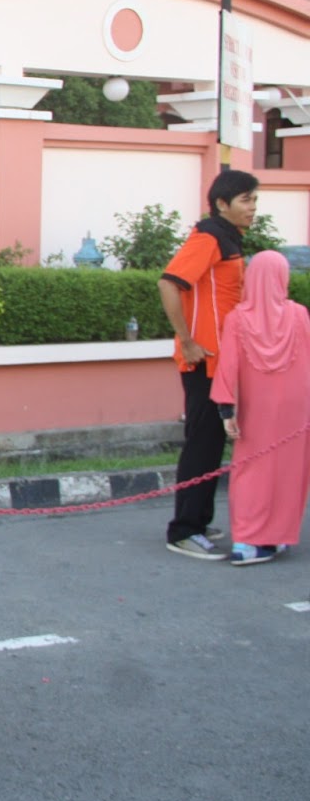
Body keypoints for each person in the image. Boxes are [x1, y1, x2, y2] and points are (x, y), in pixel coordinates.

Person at [158, 169, 258, 560]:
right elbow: (168, 283)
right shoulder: (209, 237)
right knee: (202, 443)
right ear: (221, 203)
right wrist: (187, 341)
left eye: (254, 200)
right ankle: (184, 531)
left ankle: (198, 520)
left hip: (223, 360)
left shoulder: (228, 237)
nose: (252, 208)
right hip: (203, 361)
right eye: (246, 200)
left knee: (213, 443)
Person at [210, 249, 310, 566]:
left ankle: (249, 540)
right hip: (296, 409)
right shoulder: (299, 314)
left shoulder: (238, 318)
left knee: (251, 471)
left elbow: (227, 367)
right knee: (288, 471)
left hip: (257, 411)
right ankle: (274, 535)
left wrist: (227, 410)